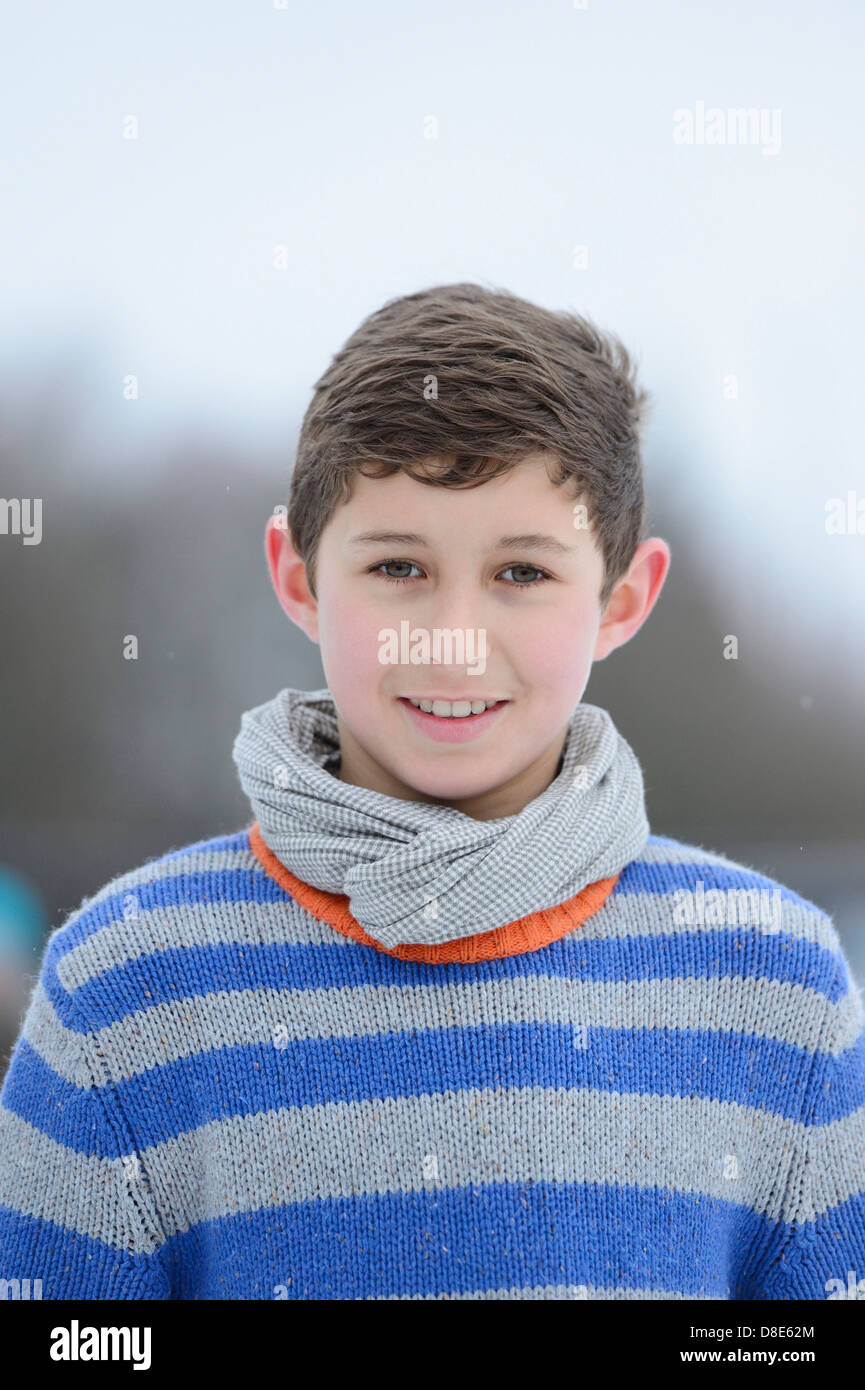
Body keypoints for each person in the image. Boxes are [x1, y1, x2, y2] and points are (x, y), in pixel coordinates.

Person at [1, 283, 862, 1300]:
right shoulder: (123, 984)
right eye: (400, 565)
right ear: (299, 577)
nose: (453, 638)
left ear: (622, 598)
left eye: (521, 574)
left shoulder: (775, 988)